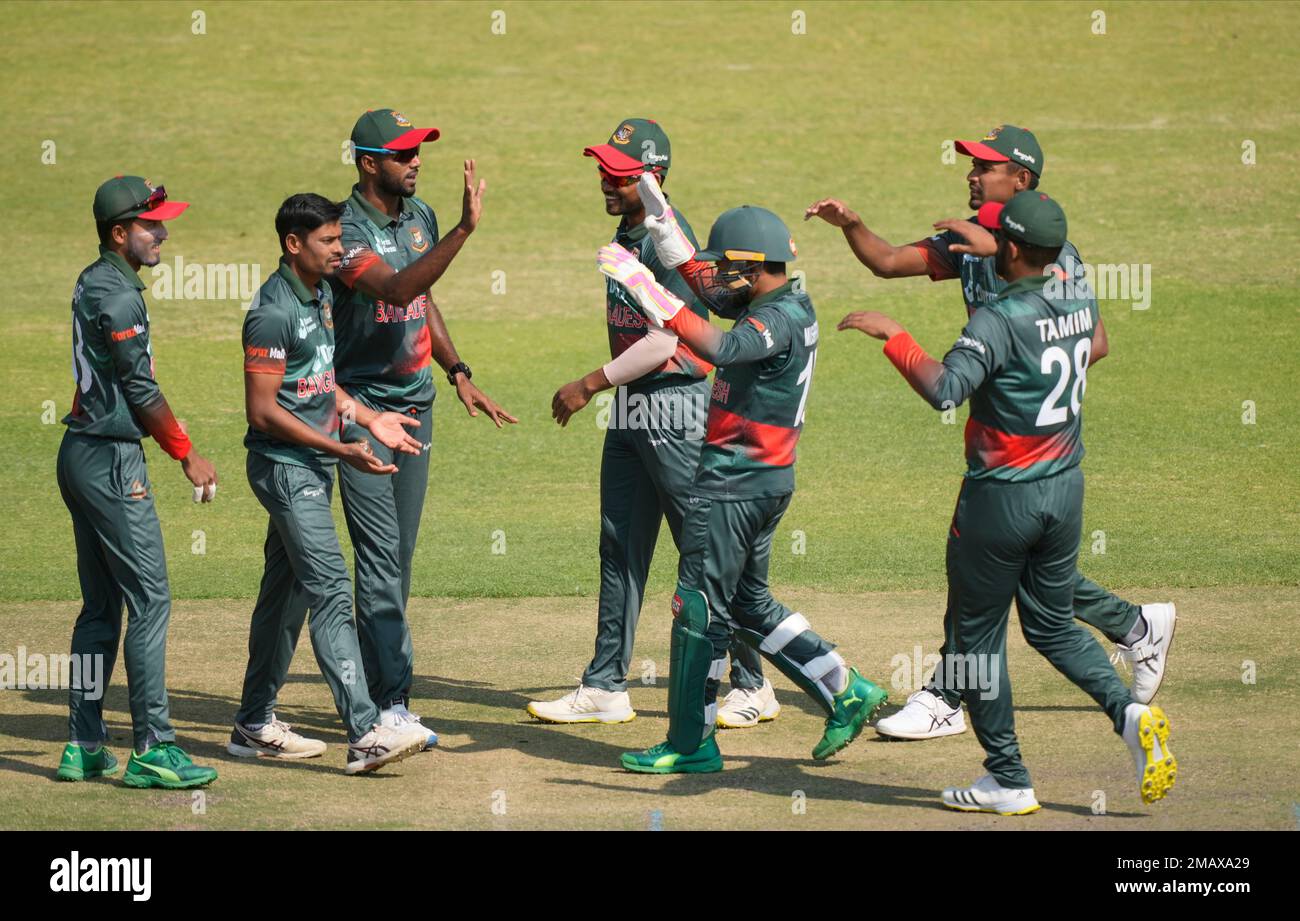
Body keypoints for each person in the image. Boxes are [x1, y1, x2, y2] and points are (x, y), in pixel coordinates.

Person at [806, 125, 1174, 741]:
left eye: (986, 166)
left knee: (981, 579)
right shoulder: (968, 243)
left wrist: (1006, 375)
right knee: (1023, 580)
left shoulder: (1053, 256)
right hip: (1024, 457)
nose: (971, 174)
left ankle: (951, 699)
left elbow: (1095, 341)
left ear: (1021, 180)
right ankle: (1136, 627)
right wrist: (851, 226)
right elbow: (887, 261)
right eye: (971, 165)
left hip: (1025, 450)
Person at [602, 183, 889, 773]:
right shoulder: (783, 301)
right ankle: (845, 688)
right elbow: (710, 288)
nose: (715, 278)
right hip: (767, 482)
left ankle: (690, 743)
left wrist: (648, 291)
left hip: (733, 485)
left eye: (725, 266)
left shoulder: (770, 323)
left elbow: (721, 344)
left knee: (698, 610)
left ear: (753, 269)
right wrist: (663, 228)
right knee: (749, 603)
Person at [529, 118, 774, 728]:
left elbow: (666, 342)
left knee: (707, 545)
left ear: (653, 177)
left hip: (673, 407)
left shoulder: (669, 240)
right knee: (620, 545)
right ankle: (606, 684)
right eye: (603, 170)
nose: (605, 181)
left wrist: (590, 383)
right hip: (635, 409)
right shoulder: (629, 226)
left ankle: (752, 684)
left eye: (618, 173)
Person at [332, 109, 516, 747]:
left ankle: (371, 692)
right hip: (360, 413)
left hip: (417, 405)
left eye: (419, 151)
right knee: (379, 559)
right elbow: (396, 284)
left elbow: (422, 296)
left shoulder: (419, 218)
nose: (416, 161)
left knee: (397, 558)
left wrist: (457, 367)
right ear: (368, 163)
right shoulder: (341, 232)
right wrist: (467, 230)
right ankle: (387, 705)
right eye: (404, 153)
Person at [231, 193, 429, 775]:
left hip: (310, 463)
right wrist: (337, 447)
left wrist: (368, 419)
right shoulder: (271, 312)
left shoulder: (317, 294)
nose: (341, 250)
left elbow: (319, 383)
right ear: (294, 244)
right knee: (333, 593)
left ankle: (253, 722)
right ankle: (366, 732)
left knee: (283, 598)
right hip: (288, 470)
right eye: (329, 241)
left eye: (342, 239)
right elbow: (262, 411)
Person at [56, 175, 218, 789]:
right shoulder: (120, 297)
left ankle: (84, 744)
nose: (164, 234)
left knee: (101, 607)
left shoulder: (96, 279)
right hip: (112, 462)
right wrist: (187, 453)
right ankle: (153, 747)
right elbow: (140, 387)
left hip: (78, 453)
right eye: (152, 225)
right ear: (120, 233)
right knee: (151, 601)